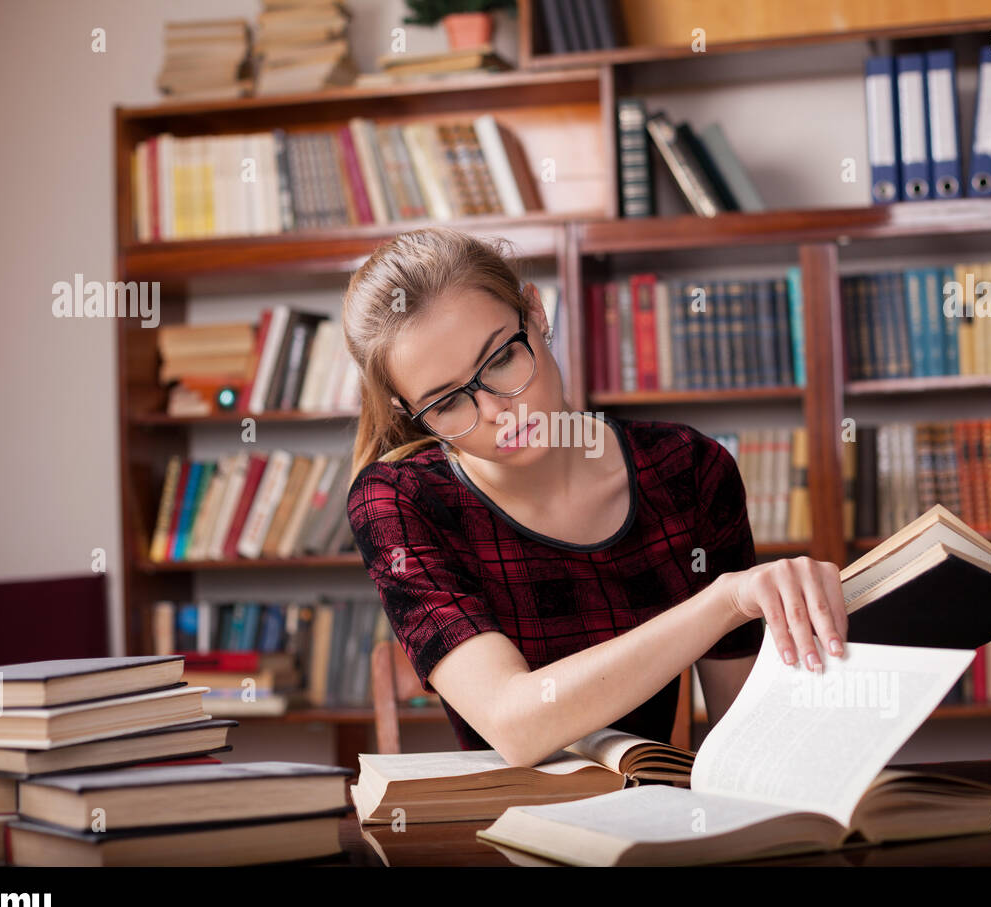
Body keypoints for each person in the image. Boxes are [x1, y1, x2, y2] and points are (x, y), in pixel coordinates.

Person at [343, 226, 847, 767]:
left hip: (661, 818)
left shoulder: (688, 469)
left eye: (499, 361)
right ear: (407, 411)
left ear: (535, 314)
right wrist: (725, 601)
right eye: (446, 403)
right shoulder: (398, 502)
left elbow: (748, 734)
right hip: (506, 833)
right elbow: (516, 725)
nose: (495, 411)